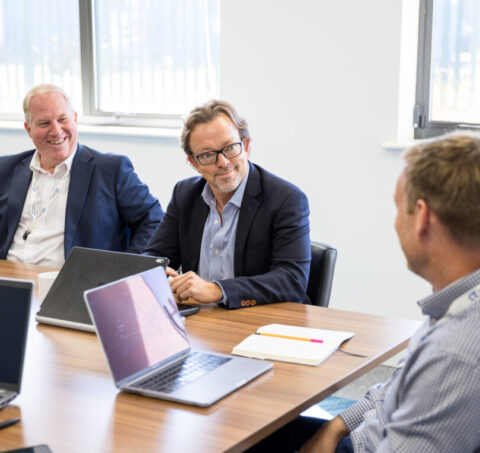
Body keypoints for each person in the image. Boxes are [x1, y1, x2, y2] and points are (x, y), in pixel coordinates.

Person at [249, 132, 480, 452]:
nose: (395, 224)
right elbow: (399, 385)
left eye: (398, 210)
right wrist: (335, 427)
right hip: (363, 435)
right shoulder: (455, 304)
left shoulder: (453, 353)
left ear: (423, 218)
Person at [145, 100, 310, 309]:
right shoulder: (185, 194)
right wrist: (155, 272)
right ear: (194, 163)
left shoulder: (286, 199)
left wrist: (218, 290)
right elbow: (154, 258)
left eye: (230, 148)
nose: (223, 162)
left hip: (260, 318)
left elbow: (292, 281)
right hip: (201, 318)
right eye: (207, 155)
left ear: (246, 146)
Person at [0, 84, 163, 267]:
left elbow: (154, 219)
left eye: (63, 119)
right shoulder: (5, 169)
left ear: (75, 119)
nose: (56, 131)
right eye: (44, 123)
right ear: (28, 129)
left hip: (73, 280)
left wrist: (125, 267)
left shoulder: (111, 170)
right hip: (10, 276)